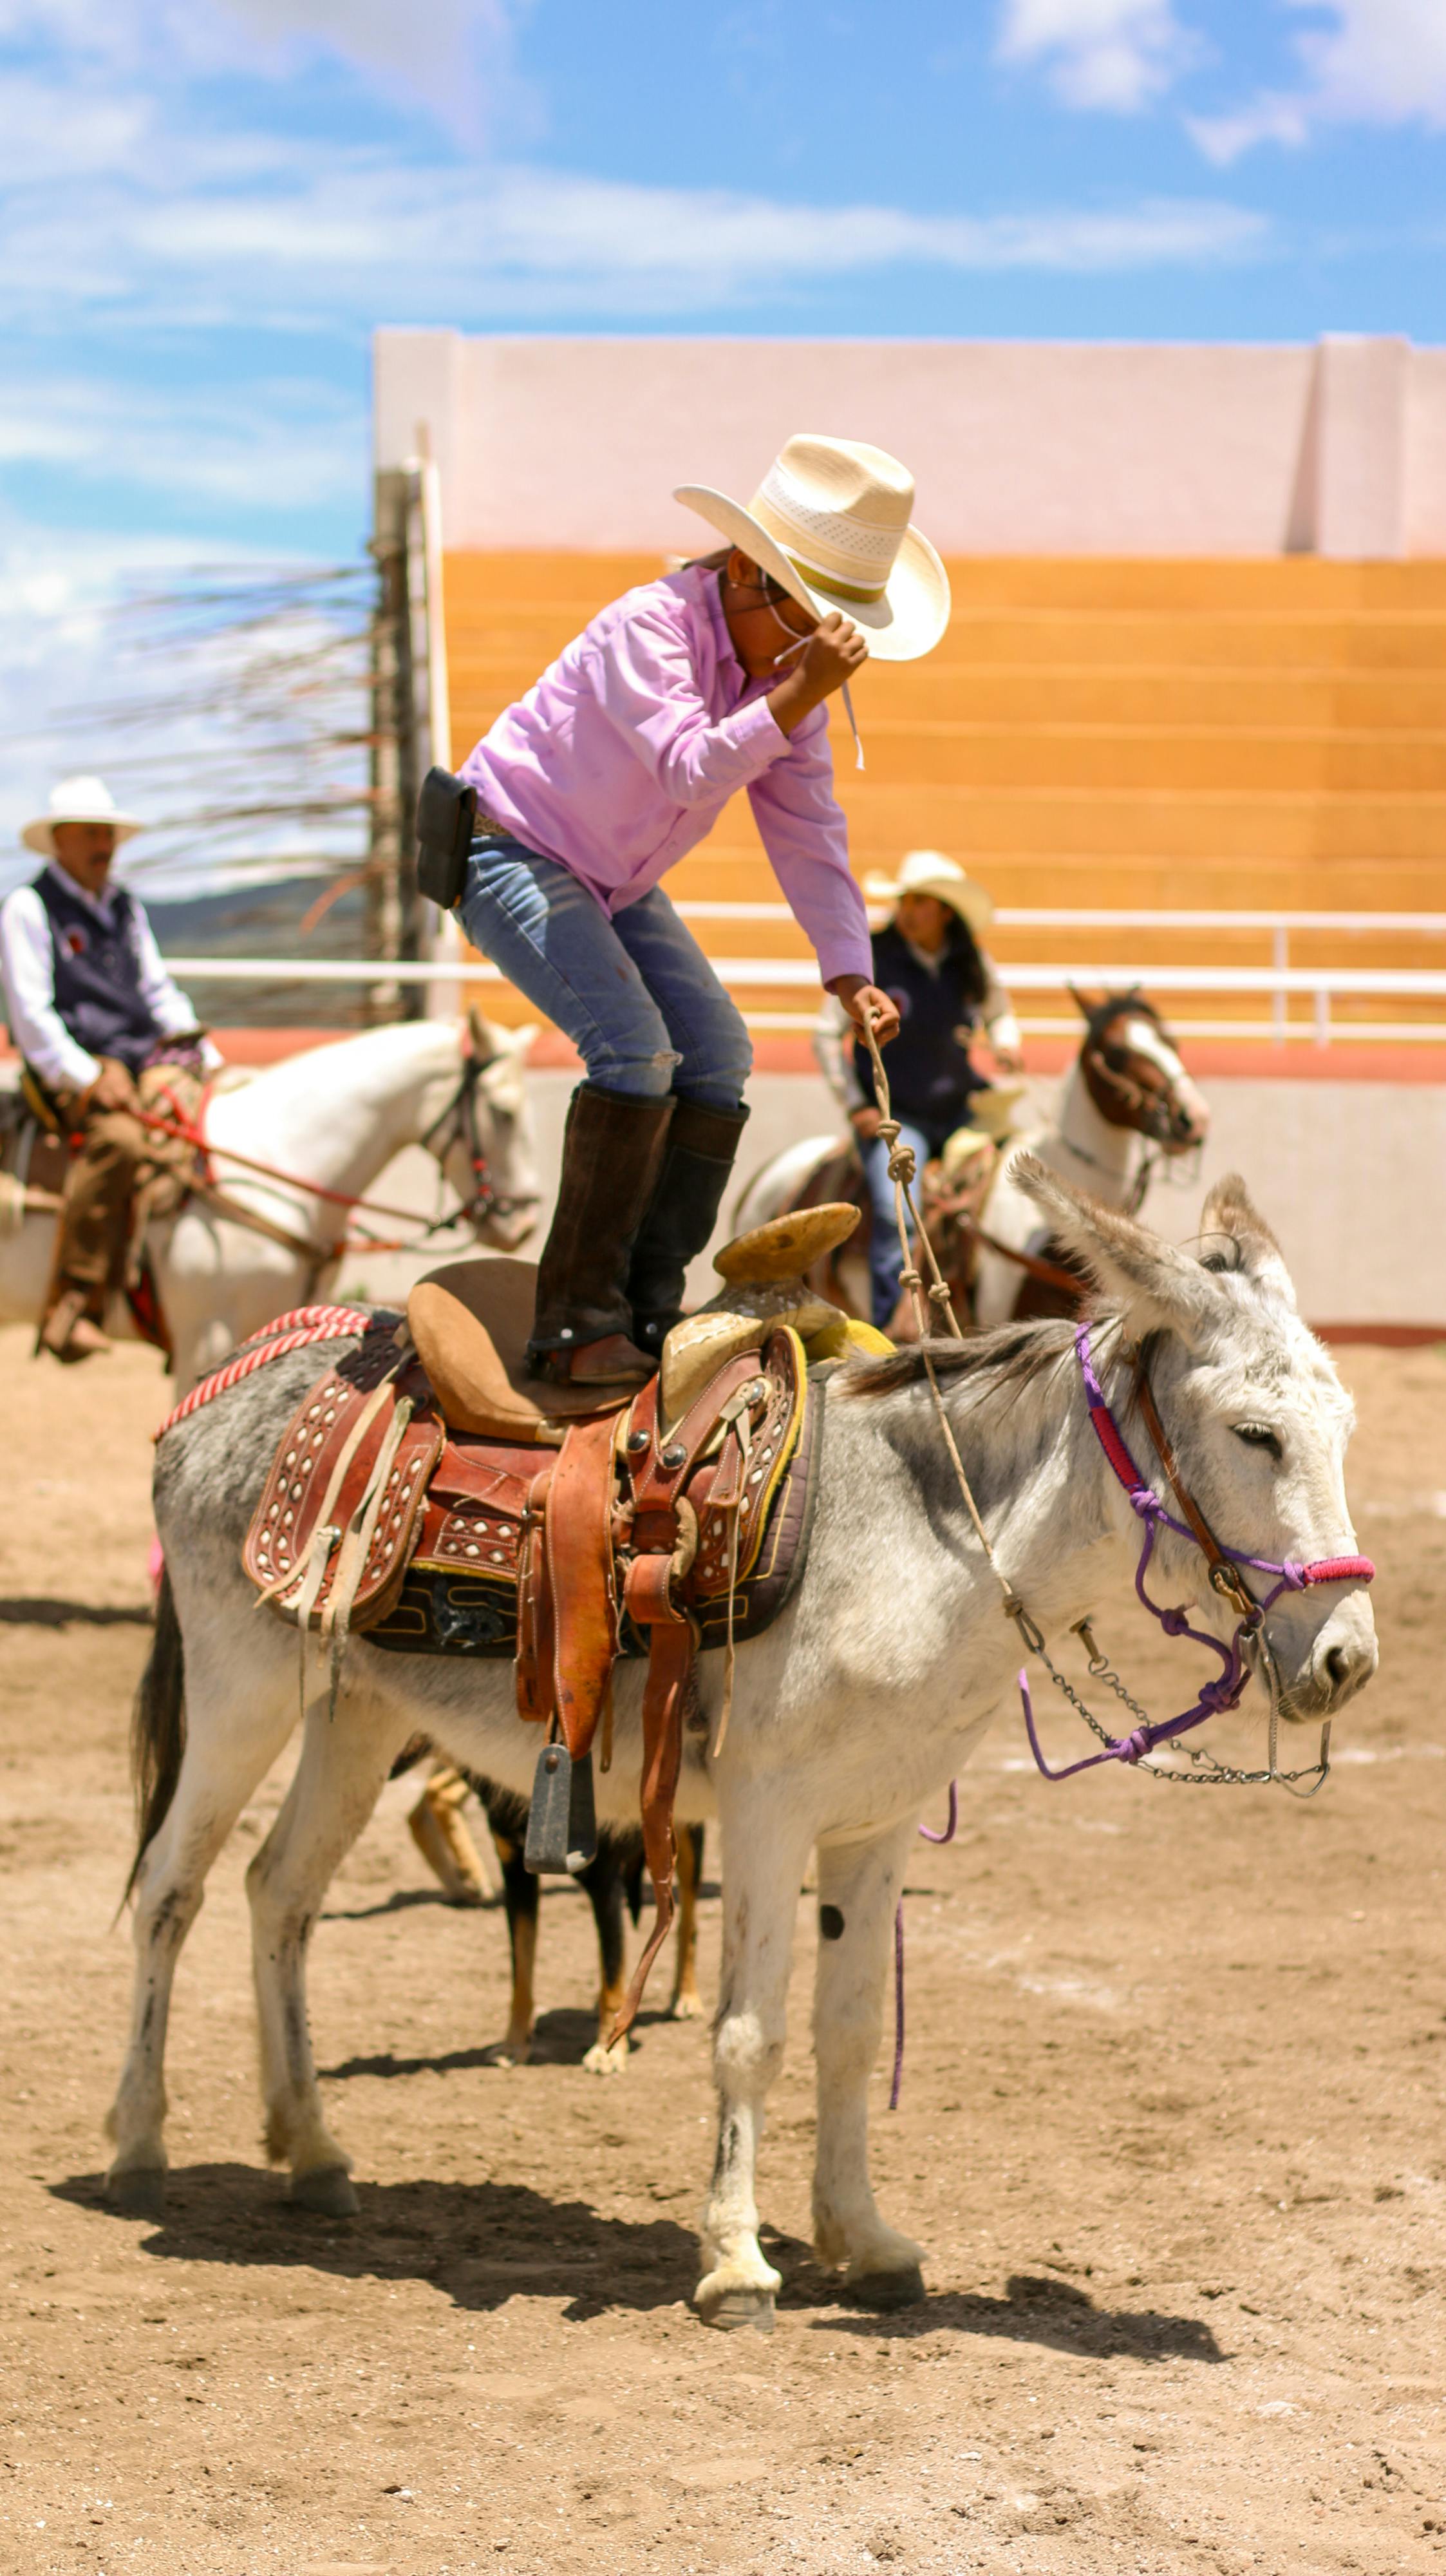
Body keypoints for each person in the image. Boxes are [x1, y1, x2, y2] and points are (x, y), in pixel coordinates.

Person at [453, 433, 950, 1388]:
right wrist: (804, 689)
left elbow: (808, 826)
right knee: (635, 1051)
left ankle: (645, 1303)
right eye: (807, 622)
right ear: (742, 571)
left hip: (611, 881)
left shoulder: (783, 681)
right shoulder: (647, 628)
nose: (812, 651)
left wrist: (849, 968)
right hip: (508, 845)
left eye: (829, 633)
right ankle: (572, 1321)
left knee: (719, 1053)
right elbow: (689, 765)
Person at [0, 777, 219, 1360]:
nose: (105, 846)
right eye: (93, 834)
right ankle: (73, 1302)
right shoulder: (29, 907)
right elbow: (32, 1017)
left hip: (139, 1055)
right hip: (68, 1067)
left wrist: (200, 1048)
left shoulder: (124, 906)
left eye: (109, 834)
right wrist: (88, 1075)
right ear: (61, 841)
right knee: (120, 1141)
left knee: (202, 1118)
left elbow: (157, 990)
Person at [814, 850, 1023, 1331]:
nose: (907, 911)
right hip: (900, 1116)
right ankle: (894, 1331)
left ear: (946, 912)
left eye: (920, 902)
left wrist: (1007, 1044)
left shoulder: (970, 960)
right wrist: (858, 1107)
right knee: (897, 1215)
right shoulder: (870, 959)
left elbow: (1000, 1010)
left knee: (1015, 1189)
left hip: (963, 1111)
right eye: (904, 901)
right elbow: (826, 1035)